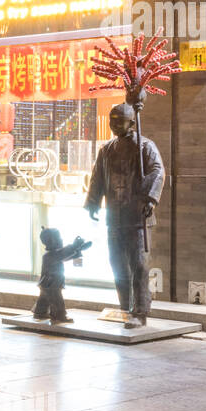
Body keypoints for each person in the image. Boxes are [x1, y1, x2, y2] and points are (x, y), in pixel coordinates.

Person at [85, 102, 165, 328]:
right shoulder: (106, 150)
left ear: (131, 122)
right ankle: (125, 307)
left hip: (137, 217)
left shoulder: (145, 147)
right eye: (111, 120)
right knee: (117, 265)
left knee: (139, 265)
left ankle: (140, 311)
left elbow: (157, 171)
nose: (113, 124)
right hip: (115, 217)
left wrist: (150, 199)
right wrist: (92, 203)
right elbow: (97, 179)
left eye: (118, 120)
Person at [33, 227, 90, 324]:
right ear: (53, 241)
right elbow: (63, 254)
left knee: (44, 299)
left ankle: (40, 312)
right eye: (59, 238)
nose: (62, 240)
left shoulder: (52, 255)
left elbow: (64, 256)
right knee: (57, 301)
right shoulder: (49, 256)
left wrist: (77, 251)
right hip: (52, 285)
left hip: (47, 284)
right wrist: (74, 246)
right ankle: (59, 316)